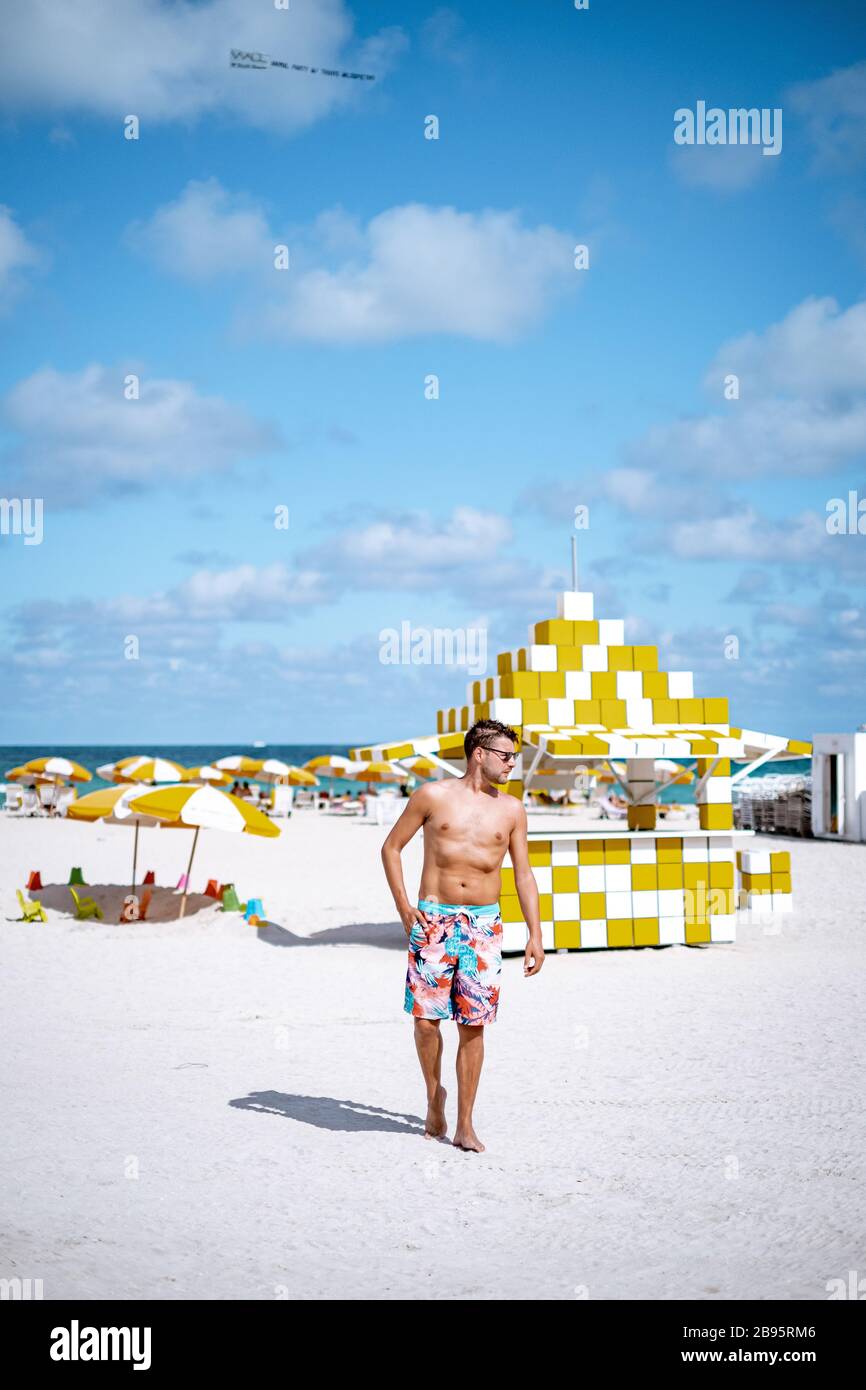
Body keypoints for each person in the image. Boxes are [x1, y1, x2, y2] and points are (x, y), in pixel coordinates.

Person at [381, 719, 544, 1153]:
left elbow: (524, 874)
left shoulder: (511, 810)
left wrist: (535, 934)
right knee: (425, 1022)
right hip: (433, 920)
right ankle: (434, 1094)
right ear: (479, 754)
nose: (512, 763)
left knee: (474, 1027)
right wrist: (403, 907)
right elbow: (391, 847)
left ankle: (464, 1125)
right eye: (506, 755)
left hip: (484, 926)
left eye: (514, 756)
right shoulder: (432, 796)